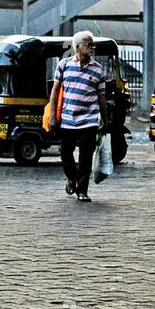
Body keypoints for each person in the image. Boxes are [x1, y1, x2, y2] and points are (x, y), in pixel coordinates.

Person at [50, 31, 108, 202]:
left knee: (86, 157)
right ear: (77, 47)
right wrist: (53, 116)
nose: (92, 48)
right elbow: (55, 92)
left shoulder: (98, 69)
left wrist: (105, 120)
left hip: (89, 120)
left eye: (93, 45)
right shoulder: (64, 65)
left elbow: (102, 97)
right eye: (88, 44)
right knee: (65, 153)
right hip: (67, 120)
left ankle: (82, 191)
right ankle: (72, 178)